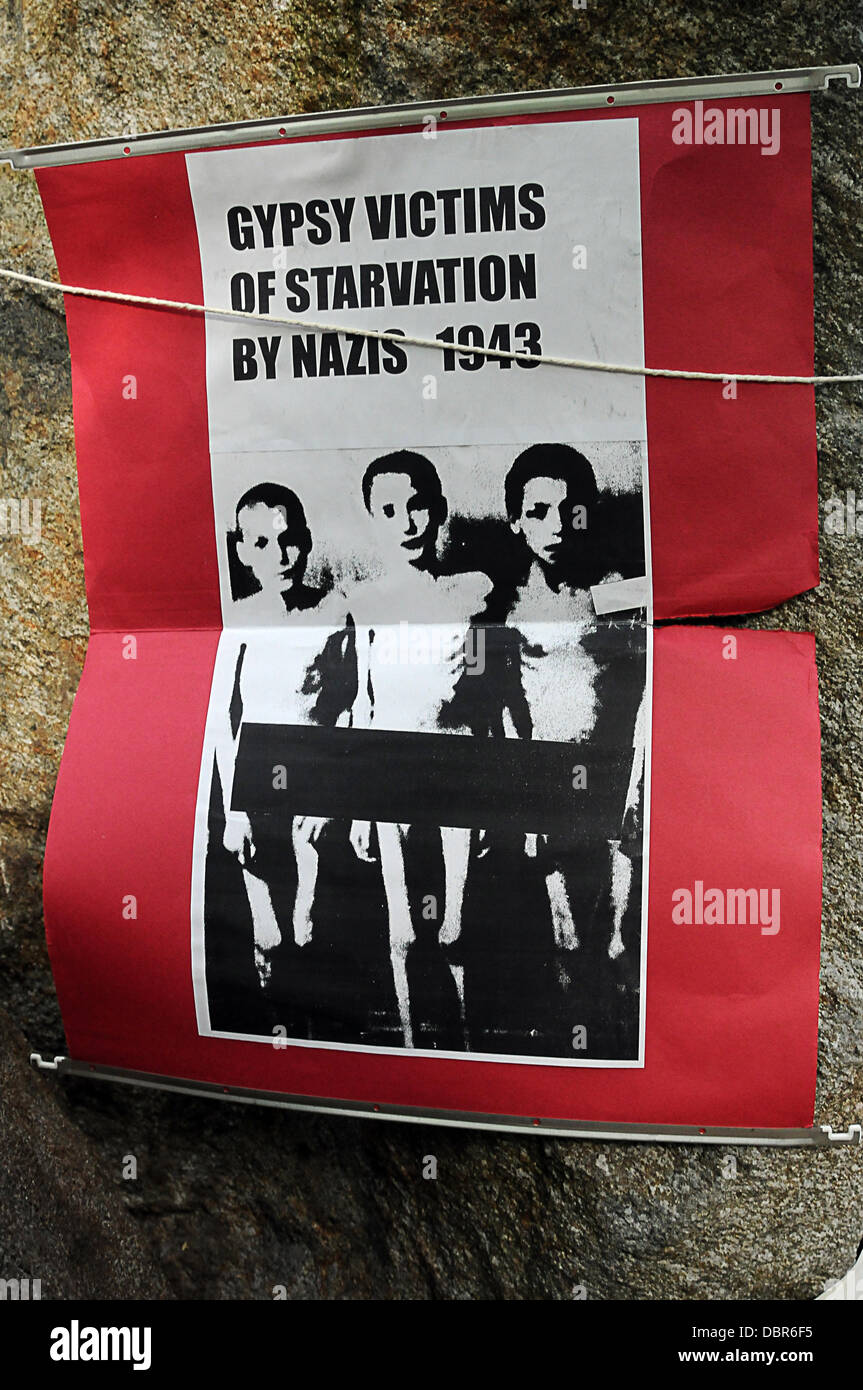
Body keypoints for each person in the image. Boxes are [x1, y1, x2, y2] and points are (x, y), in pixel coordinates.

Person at [489, 443, 646, 1053]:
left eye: (568, 510)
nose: (554, 525)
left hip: (614, 779)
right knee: (563, 936)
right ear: (517, 520)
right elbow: (506, 707)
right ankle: (571, 1048)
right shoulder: (508, 605)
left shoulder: (615, 591)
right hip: (545, 787)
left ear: (589, 511)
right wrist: (519, 800)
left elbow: (645, 692)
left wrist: (636, 784)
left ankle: (617, 1044)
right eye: (538, 511)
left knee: (615, 938)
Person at [347, 451, 490, 1049]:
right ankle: (410, 1040)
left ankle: (461, 1046)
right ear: (373, 520)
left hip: (456, 764)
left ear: (437, 511)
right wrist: (357, 802)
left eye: (417, 507)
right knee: (403, 923)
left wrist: (486, 794)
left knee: (455, 924)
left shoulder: (472, 593)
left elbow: (482, 698)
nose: (406, 522)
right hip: (388, 769)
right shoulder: (366, 603)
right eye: (389, 510)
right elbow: (363, 701)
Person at [214, 482, 355, 991]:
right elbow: (220, 720)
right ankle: (275, 1024)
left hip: (315, 772)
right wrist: (233, 810)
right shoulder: (240, 620)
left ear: (307, 539)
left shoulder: (334, 611)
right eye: (260, 544)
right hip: (252, 778)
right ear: (241, 551)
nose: (278, 555)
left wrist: (331, 792)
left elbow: (346, 705)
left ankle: (319, 1036)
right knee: (268, 935)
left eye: (288, 538)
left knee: (310, 927)